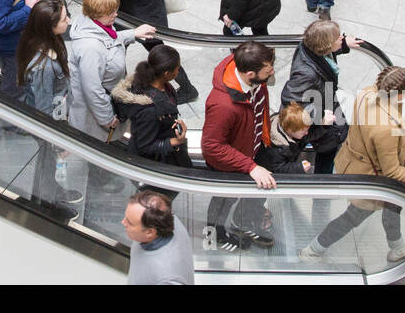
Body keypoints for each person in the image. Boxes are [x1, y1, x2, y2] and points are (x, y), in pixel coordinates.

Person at [300, 66, 405, 263]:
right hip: (371, 178)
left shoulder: (367, 93)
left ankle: (396, 247)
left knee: (393, 206)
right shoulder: (385, 128)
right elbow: (393, 172)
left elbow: (392, 121)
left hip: (354, 162)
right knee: (352, 217)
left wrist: (404, 143)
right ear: (398, 94)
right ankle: (313, 250)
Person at [201, 40, 287, 250]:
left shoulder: (251, 79)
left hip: (252, 148)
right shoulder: (223, 105)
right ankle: (215, 237)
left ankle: (240, 222)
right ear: (250, 74)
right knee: (223, 200)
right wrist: (250, 166)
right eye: (268, 70)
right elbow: (211, 145)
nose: (272, 73)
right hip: (231, 164)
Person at [16, 0, 85, 219]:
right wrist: (58, 138)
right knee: (47, 162)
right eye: (65, 19)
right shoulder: (43, 66)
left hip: (53, 112)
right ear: (50, 27)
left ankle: (53, 193)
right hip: (46, 122)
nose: (69, 21)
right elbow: (44, 105)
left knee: (47, 162)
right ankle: (48, 204)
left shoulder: (45, 43)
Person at [69, 0, 156, 140]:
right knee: (99, 152)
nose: (116, 14)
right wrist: (107, 118)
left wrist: (132, 33)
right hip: (96, 121)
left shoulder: (96, 24)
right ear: (96, 14)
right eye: (110, 13)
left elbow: (108, 40)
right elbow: (92, 89)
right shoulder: (90, 49)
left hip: (107, 104)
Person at [280, 19, 359, 174]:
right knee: (328, 149)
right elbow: (291, 102)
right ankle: (323, 182)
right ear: (325, 46)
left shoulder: (311, 48)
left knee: (333, 142)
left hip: (326, 101)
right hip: (323, 119)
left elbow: (325, 57)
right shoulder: (305, 74)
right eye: (338, 38)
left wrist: (343, 45)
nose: (342, 38)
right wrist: (320, 117)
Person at [111, 45, 192, 168]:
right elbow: (145, 146)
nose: (178, 71)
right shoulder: (150, 111)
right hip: (157, 163)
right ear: (166, 73)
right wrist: (176, 141)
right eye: (177, 68)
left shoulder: (161, 86)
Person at [124, 190, 195, 285]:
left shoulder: (168, 279)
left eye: (130, 222)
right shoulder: (164, 219)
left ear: (150, 232)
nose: (123, 222)